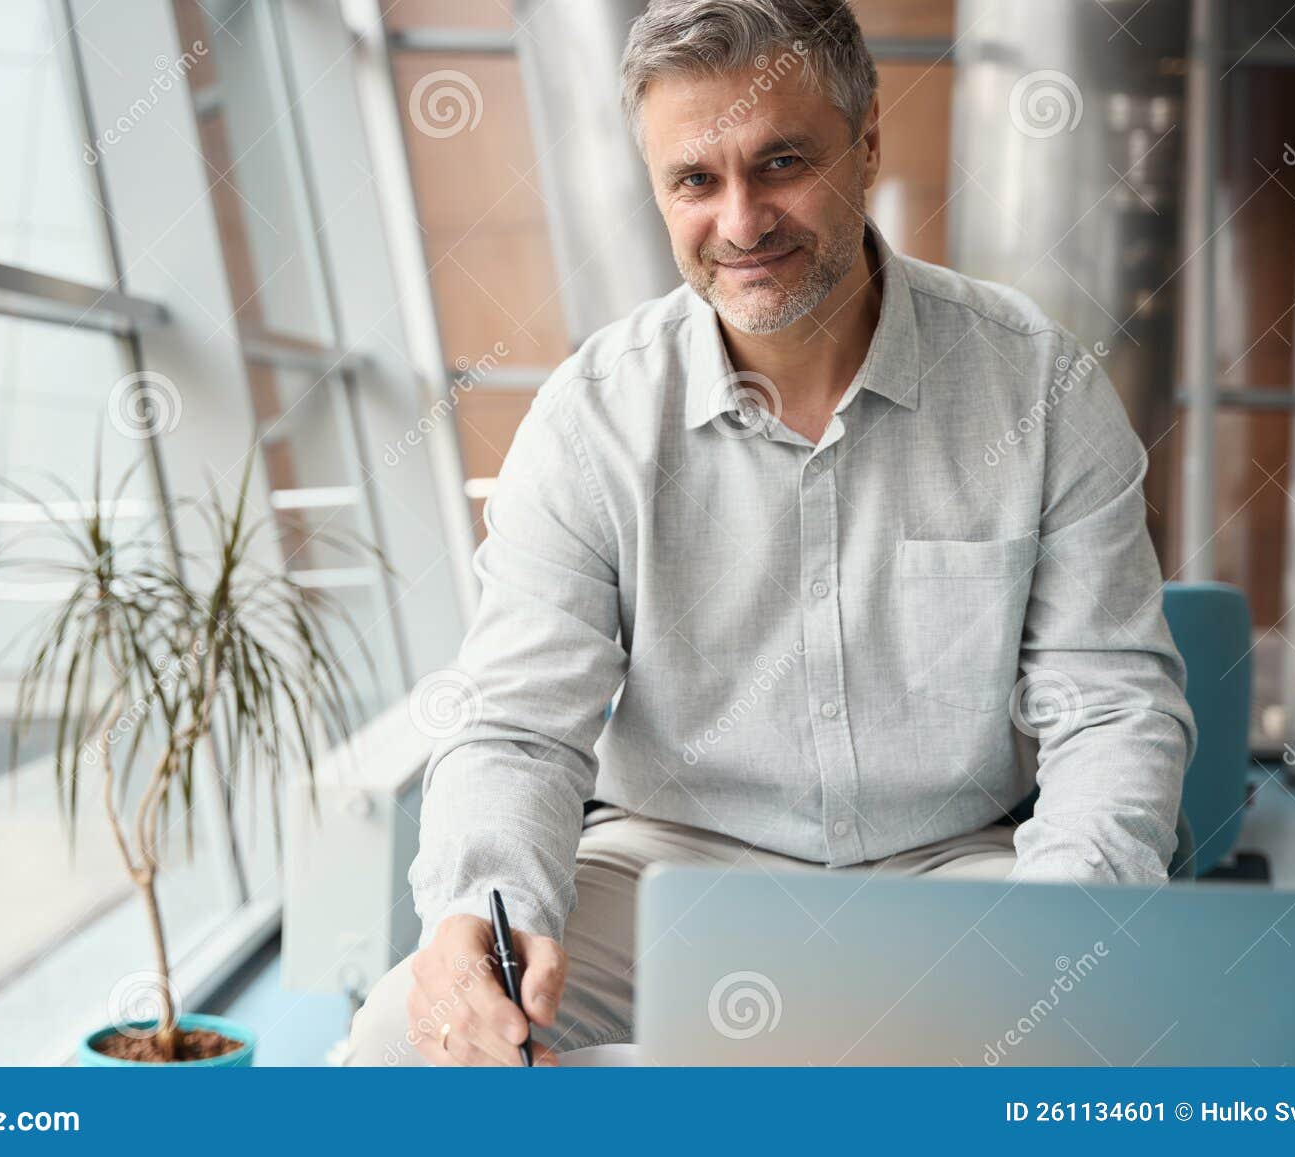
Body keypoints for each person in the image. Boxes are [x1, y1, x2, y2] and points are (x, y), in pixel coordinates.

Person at [347, 0, 1194, 1067]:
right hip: (668, 869)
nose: (742, 222)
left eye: (782, 162)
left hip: (948, 868)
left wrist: (1062, 933)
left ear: (869, 139)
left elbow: (1111, 707)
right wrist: (481, 907)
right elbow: (518, 726)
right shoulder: (589, 419)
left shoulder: (1039, 385)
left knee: (1129, 1046)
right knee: (400, 1045)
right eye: (695, 181)